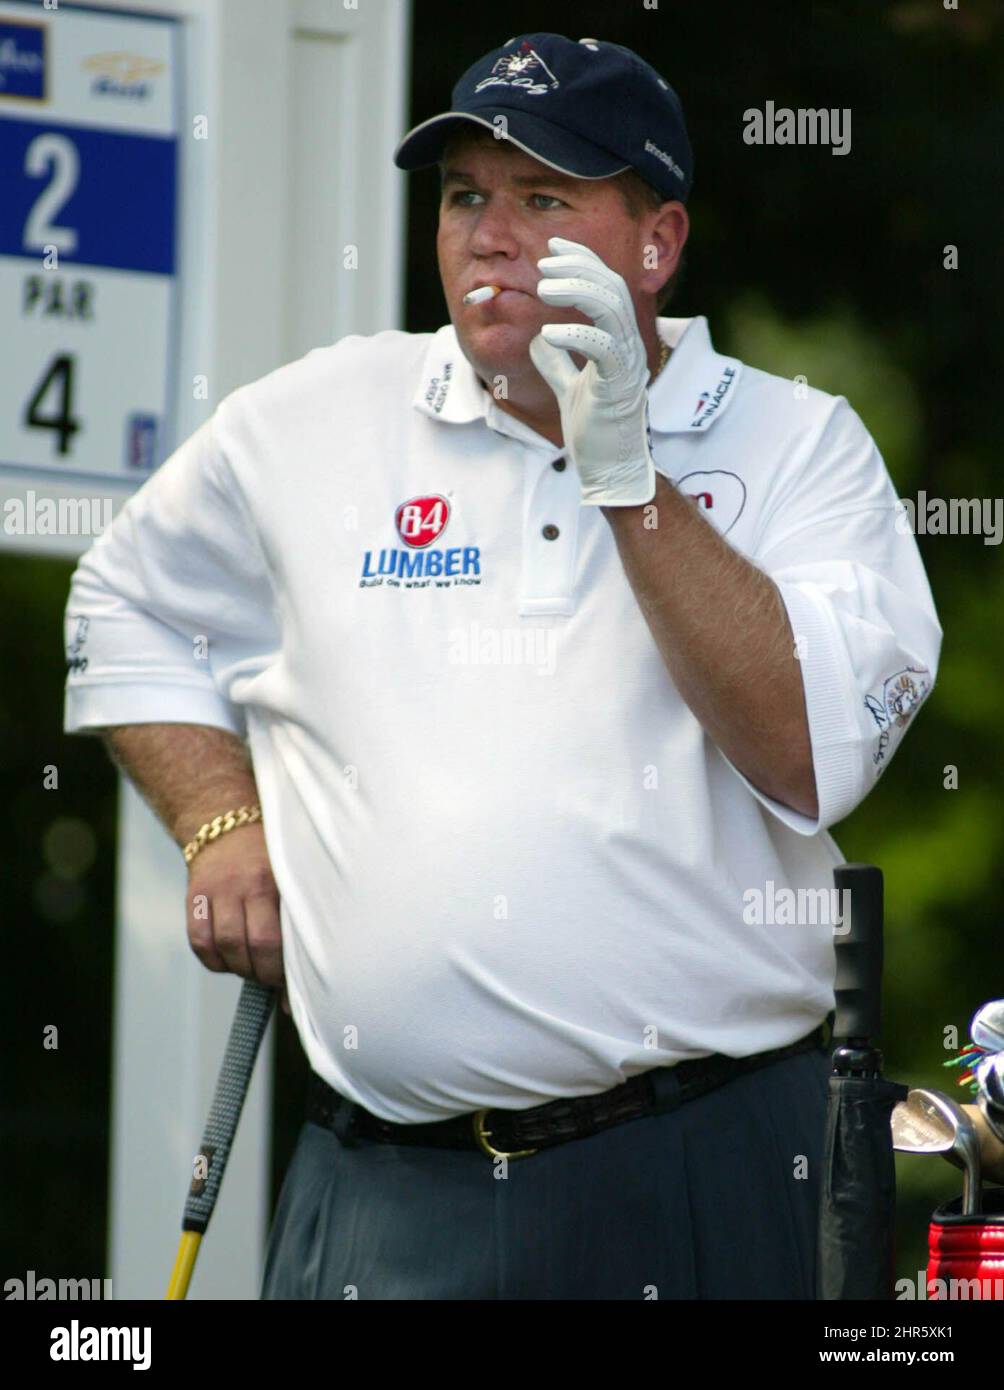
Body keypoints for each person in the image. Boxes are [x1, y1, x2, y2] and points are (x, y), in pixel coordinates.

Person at [62, 32, 942, 1299]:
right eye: (465, 194)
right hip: (379, 1185)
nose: (489, 233)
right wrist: (218, 823)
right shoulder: (309, 420)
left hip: (703, 1163)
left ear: (655, 243)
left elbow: (808, 754)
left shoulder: (799, 441)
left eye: (543, 197)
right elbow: (122, 607)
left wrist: (628, 474)